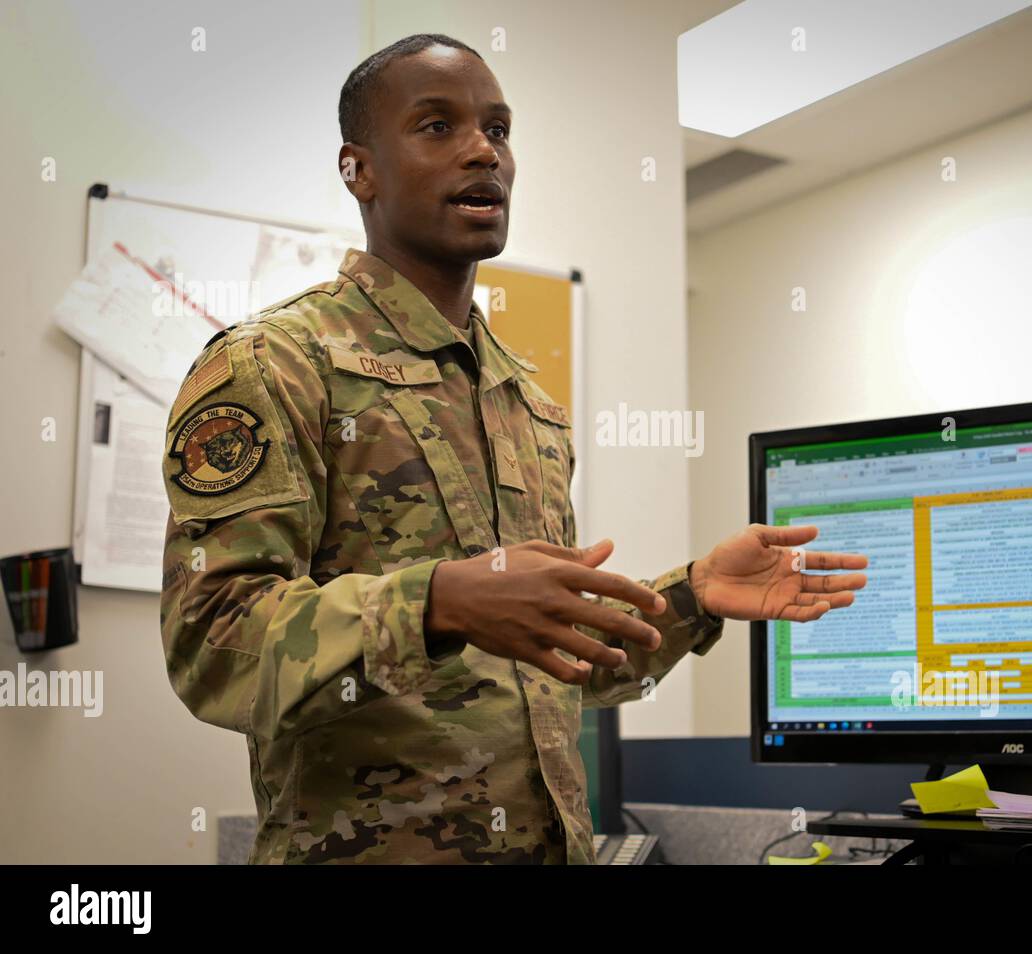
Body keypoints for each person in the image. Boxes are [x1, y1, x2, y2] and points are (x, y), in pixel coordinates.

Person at [159, 32, 867, 864]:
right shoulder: (275, 361)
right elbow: (212, 645)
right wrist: (439, 602)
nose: (481, 151)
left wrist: (694, 596)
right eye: (436, 126)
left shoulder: (525, 398)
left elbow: (563, 659)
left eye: (497, 128)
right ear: (361, 169)